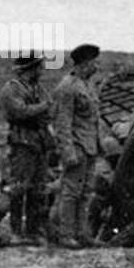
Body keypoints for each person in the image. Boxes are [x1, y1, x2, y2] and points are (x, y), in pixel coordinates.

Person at [51, 43, 102, 248]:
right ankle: (66, 235)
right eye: (95, 62)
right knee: (71, 192)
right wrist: (68, 152)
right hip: (77, 147)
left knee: (86, 192)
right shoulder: (68, 87)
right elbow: (62, 123)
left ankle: (82, 234)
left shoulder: (86, 85)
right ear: (86, 63)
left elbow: (93, 119)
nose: (97, 66)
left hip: (89, 147)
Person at [0, 52, 52, 243]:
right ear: (30, 68)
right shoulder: (12, 89)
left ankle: (32, 231)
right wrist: (41, 108)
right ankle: (15, 232)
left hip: (39, 142)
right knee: (19, 188)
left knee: (37, 189)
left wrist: (39, 110)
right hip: (22, 143)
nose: (42, 70)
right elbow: (19, 112)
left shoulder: (39, 89)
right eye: (39, 66)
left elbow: (48, 111)